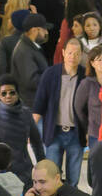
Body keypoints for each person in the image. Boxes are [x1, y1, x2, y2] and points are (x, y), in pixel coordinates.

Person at [30, 37, 85, 187]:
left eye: (76, 53)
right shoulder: (51, 74)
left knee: (73, 179)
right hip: (54, 132)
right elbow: (39, 104)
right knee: (52, 175)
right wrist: (29, 130)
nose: (73, 57)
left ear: (81, 55)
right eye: (69, 53)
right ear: (63, 53)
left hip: (76, 133)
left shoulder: (85, 75)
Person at [0, 76, 45, 186]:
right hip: (2, 172)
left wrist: (42, 166)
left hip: (25, 170)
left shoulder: (26, 113)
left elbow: (37, 143)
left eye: (12, 92)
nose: (8, 96)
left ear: (17, 93)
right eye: (4, 93)